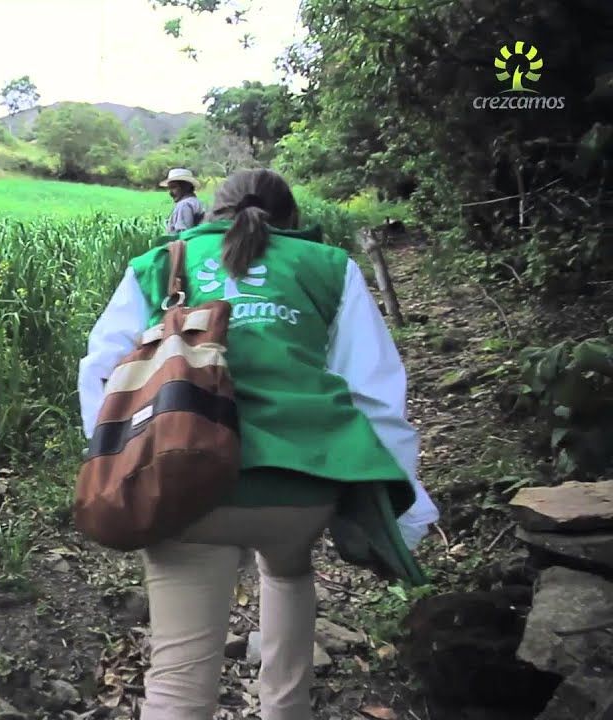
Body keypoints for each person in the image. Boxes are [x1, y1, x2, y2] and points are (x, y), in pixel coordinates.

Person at [77, 169, 439, 720]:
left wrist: (119, 464)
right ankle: (286, 708)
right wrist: (407, 513)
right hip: (301, 490)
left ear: (211, 212)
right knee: (289, 571)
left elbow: (102, 372)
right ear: (291, 220)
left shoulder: (157, 264)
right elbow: (375, 394)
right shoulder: (328, 266)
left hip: (183, 481)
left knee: (177, 682)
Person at [160, 168, 205, 234]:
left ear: (186, 187)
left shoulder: (184, 205)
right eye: (169, 188)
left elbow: (183, 235)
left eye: (173, 187)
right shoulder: (199, 203)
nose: (170, 193)